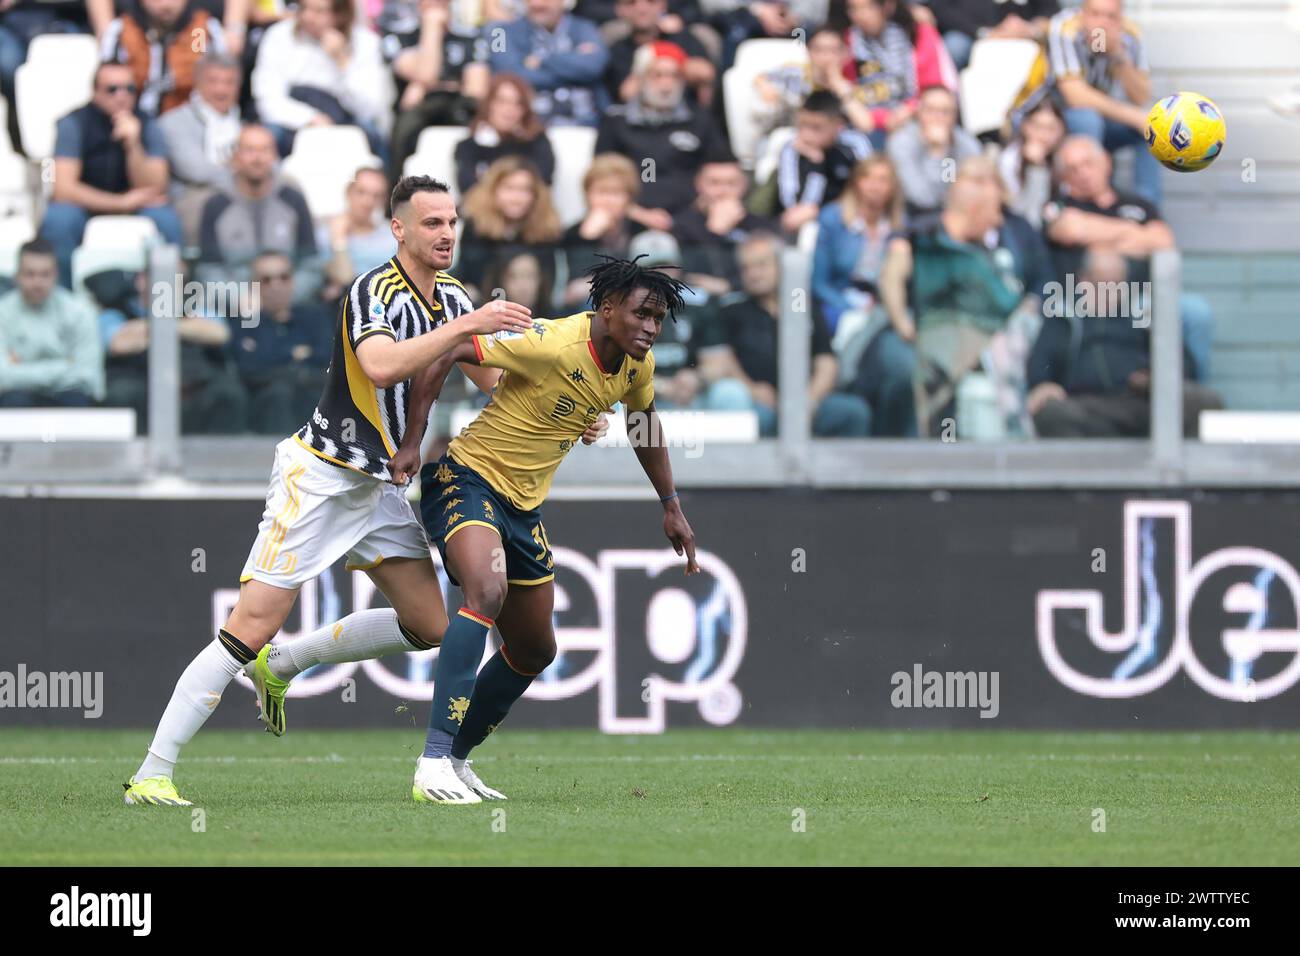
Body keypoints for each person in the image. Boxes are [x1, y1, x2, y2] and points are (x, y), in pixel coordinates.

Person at [122, 175, 537, 807]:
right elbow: (380, 365)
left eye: (452, 222)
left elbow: (487, 377)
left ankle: (285, 665)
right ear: (398, 229)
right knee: (250, 626)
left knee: (430, 625)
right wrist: (467, 327)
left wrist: (560, 408)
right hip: (320, 475)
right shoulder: (373, 289)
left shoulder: (454, 298)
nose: (447, 233)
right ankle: (152, 773)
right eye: (432, 223)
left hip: (381, 489)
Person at [394, 255, 700, 803]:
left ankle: (457, 760)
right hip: (465, 480)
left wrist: (670, 504)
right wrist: (415, 439)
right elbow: (452, 348)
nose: (651, 329)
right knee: (486, 591)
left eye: (659, 319)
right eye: (642, 315)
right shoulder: (551, 342)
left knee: (535, 649)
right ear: (606, 309)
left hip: (522, 508)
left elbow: (643, 422)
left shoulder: (636, 367)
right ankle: (432, 759)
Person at [1042, 135, 1214, 382]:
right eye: (1072, 168)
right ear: (1063, 177)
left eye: (1088, 163)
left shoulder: (1138, 204)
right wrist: (1133, 233)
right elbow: (1070, 229)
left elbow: (1163, 242)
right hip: (1084, 295)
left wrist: (1097, 237)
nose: (1082, 173)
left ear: (1106, 163)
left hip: (1142, 296)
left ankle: (1193, 397)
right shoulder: (1059, 206)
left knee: (1197, 314)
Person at [1027, 249, 1223, 437]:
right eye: (1100, 281)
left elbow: (1184, 364)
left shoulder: (1142, 316)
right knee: (1050, 413)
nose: (1108, 290)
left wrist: (1152, 380)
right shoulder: (1065, 318)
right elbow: (1040, 362)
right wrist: (1044, 385)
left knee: (1205, 401)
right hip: (1086, 407)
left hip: (1142, 405)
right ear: (1083, 280)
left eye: (1116, 283)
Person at [697, 232, 872, 437]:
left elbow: (826, 361)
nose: (753, 274)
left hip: (807, 400)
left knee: (853, 413)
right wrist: (752, 389)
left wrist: (810, 400)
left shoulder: (804, 307)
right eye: (746, 268)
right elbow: (722, 359)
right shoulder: (732, 309)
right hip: (758, 402)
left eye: (761, 265)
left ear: (781, 266)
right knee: (756, 420)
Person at [41, 62, 183, 288]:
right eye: (112, 89)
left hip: (135, 202)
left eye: (129, 89)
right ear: (95, 92)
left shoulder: (147, 123)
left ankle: (171, 300)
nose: (121, 96)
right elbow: (63, 189)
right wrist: (120, 203)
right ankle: (62, 300)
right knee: (58, 220)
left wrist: (133, 145)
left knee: (166, 219)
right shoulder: (73, 122)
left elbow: (156, 186)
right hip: (85, 203)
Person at [811, 155, 914, 436]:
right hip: (838, 302)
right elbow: (817, 281)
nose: (876, 187)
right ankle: (848, 383)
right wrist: (848, 308)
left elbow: (898, 277)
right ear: (857, 182)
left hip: (881, 307)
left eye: (884, 180)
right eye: (869, 179)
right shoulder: (832, 218)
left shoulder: (898, 224)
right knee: (856, 328)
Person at [1025, 0, 1159, 204]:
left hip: (1095, 117)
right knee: (1088, 119)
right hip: (1047, 116)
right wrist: (1136, 117)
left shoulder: (1130, 35)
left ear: (1120, 19)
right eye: (1095, 14)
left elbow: (1140, 96)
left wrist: (1118, 56)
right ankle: (1090, 205)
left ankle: (1147, 210)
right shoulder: (1064, 28)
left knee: (1151, 131)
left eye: (1110, 16)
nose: (1102, 23)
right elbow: (1076, 96)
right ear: (1082, 14)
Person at [595, 40, 732, 224]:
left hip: (693, 218)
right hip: (629, 218)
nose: (666, 85)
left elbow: (722, 169)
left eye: (674, 76)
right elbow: (601, 176)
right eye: (657, 75)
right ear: (641, 79)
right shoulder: (616, 122)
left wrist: (704, 204)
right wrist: (635, 213)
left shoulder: (700, 121)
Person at [195, 124, 322, 304]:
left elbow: (310, 263)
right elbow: (209, 270)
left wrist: (286, 297)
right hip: (234, 304)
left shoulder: (293, 200)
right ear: (236, 156)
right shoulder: (216, 205)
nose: (257, 158)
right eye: (249, 150)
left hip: (289, 301)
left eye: (264, 150)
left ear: (274, 155)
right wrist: (241, 301)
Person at [251, 0, 392, 160]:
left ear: (340, 14)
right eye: (304, 8)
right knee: (267, 135)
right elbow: (267, 99)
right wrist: (310, 118)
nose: (307, 17)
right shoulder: (279, 35)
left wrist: (342, 62)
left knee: (372, 134)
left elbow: (369, 110)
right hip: (293, 120)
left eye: (319, 11)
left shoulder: (365, 43)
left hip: (345, 121)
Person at [382, 0, 490, 183]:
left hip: (459, 111)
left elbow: (477, 90)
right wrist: (432, 28)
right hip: (417, 119)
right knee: (407, 127)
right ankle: (397, 195)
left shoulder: (470, 38)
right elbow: (427, 73)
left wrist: (421, 86)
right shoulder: (399, 36)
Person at [229, 250, 332, 434]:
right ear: (254, 285)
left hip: (315, 411)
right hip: (269, 414)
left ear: (292, 281)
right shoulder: (246, 323)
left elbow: (327, 356)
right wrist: (296, 354)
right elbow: (249, 367)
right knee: (278, 394)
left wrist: (277, 357)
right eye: (267, 280)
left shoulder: (315, 316)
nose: (276, 285)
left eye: (283, 277)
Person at [0, 239, 102, 407]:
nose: (37, 283)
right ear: (17, 275)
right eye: (30, 274)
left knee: (78, 401)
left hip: (69, 395)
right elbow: (2, 376)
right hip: (18, 397)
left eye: (45, 274)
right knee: (13, 401)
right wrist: (65, 365)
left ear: (55, 275)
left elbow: (88, 375)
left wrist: (20, 370)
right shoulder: (2, 312)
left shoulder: (80, 312)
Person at [156, 52, 243, 244]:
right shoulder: (173, 122)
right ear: (198, 83)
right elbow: (198, 171)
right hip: (193, 196)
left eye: (229, 82)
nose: (222, 89)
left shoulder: (244, 125)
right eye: (213, 81)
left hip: (241, 191)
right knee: (211, 207)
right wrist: (242, 172)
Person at [486, 0, 608, 128]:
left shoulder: (587, 27)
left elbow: (594, 66)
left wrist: (543, 60)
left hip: (588, 124)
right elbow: (509, 76)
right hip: (529, 128)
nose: (536, 4)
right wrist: (576, 74)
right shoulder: (499, 33)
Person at [767, 90, 872, 236]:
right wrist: (816, 165)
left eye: (816, 128)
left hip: (852, 211)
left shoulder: (855, 144)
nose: (807, 135)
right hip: (810, 219)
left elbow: (870, 187)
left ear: (838, 125)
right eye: (803, 125)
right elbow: (795, 205)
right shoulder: (791, 149)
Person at [455, 155, 562, 298]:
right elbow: (466, 273)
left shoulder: (545, 230)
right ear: (493, 191)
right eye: (509, 188)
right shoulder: (475, 227)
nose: (517, 197)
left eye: (525, 190)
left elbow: (548, 282)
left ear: (535, 195)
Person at [100, 0, 228, 117]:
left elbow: (222, 81)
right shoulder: (121, 31)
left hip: (192, 119)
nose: (166, 5)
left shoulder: (202, 30)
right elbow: (108, 84)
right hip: (135, 117)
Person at [672, 159, 776, 296]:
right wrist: (716, 231)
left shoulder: (759, 225)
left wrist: (730, 285)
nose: (723, 191)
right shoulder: (682, 225)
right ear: (699, 185)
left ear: (744, 186)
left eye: (731, 184)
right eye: (714, 183)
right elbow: (688, 273)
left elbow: (770, 273)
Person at [560, 153, 647, 306]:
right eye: (601, 192)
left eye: (616, 193)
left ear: (629, 198)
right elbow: (569, 293)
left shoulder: (641, 232)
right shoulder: (571, 234)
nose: (608, 200)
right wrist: (587, 238)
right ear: (587, 195)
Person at [886, 84, 981, 216]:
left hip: (957, 215)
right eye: (931, 110)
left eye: (945, 111)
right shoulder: (902, 142)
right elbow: (924, 199)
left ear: (955, 115)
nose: (938, 117)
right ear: (919, 112)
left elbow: (968, 192)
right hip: (913, 218)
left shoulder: (966, 143)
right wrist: (938, 152)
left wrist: (945, 153)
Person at [453, 74, 555, 195]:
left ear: (525, 110)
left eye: (518, 104)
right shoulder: (468, 146)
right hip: (482, 210)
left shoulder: (538, 142)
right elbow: (468, 189)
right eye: (502, 101)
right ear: (488, 105)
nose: (509, 109)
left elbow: (542, 184)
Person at [604, 0, 714, 106]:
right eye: (631, 2)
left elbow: (706, 72)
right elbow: (627, 93)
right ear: (620, 9)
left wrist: (657, 55)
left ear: (663, 4)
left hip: (685, 118)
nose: (642, 9)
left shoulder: (683, 39)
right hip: (639, 121)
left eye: (651, 1)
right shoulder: (617, 50)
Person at [842, 0, 917, 147]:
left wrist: (909, 108)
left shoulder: (909, 34)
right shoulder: (847, 42)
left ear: (887, 6)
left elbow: (924, 86)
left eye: (868, 7)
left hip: (907, 116)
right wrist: (881, 118)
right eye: (854, 9)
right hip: (865, 121)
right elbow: (848, 90)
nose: (860, 15)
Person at [320, 166, 397, 303]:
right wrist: (339, 239)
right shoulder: (325, 234)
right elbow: (343, 280)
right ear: (348, 193)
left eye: (377, 196)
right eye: (361, 192)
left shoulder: (392, 237)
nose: (368, 202)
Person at [925, 0, 1057, 71]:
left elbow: (1051, 11)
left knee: (1057, 44)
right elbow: (942, 10)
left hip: (1027, 35)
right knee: (954, 46)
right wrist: (984, 33)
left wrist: (1031, 28)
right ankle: (949, 106)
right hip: (974, 34)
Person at [997, 97, 1066, 230]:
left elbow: (1062, 201)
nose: (1043, 135)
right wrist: (1036, 168)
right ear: (1025, 127)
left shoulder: (1061, 157)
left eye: (1051, 129)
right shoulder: (1009, 160)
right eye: (1038, 127)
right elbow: (1022, 213)